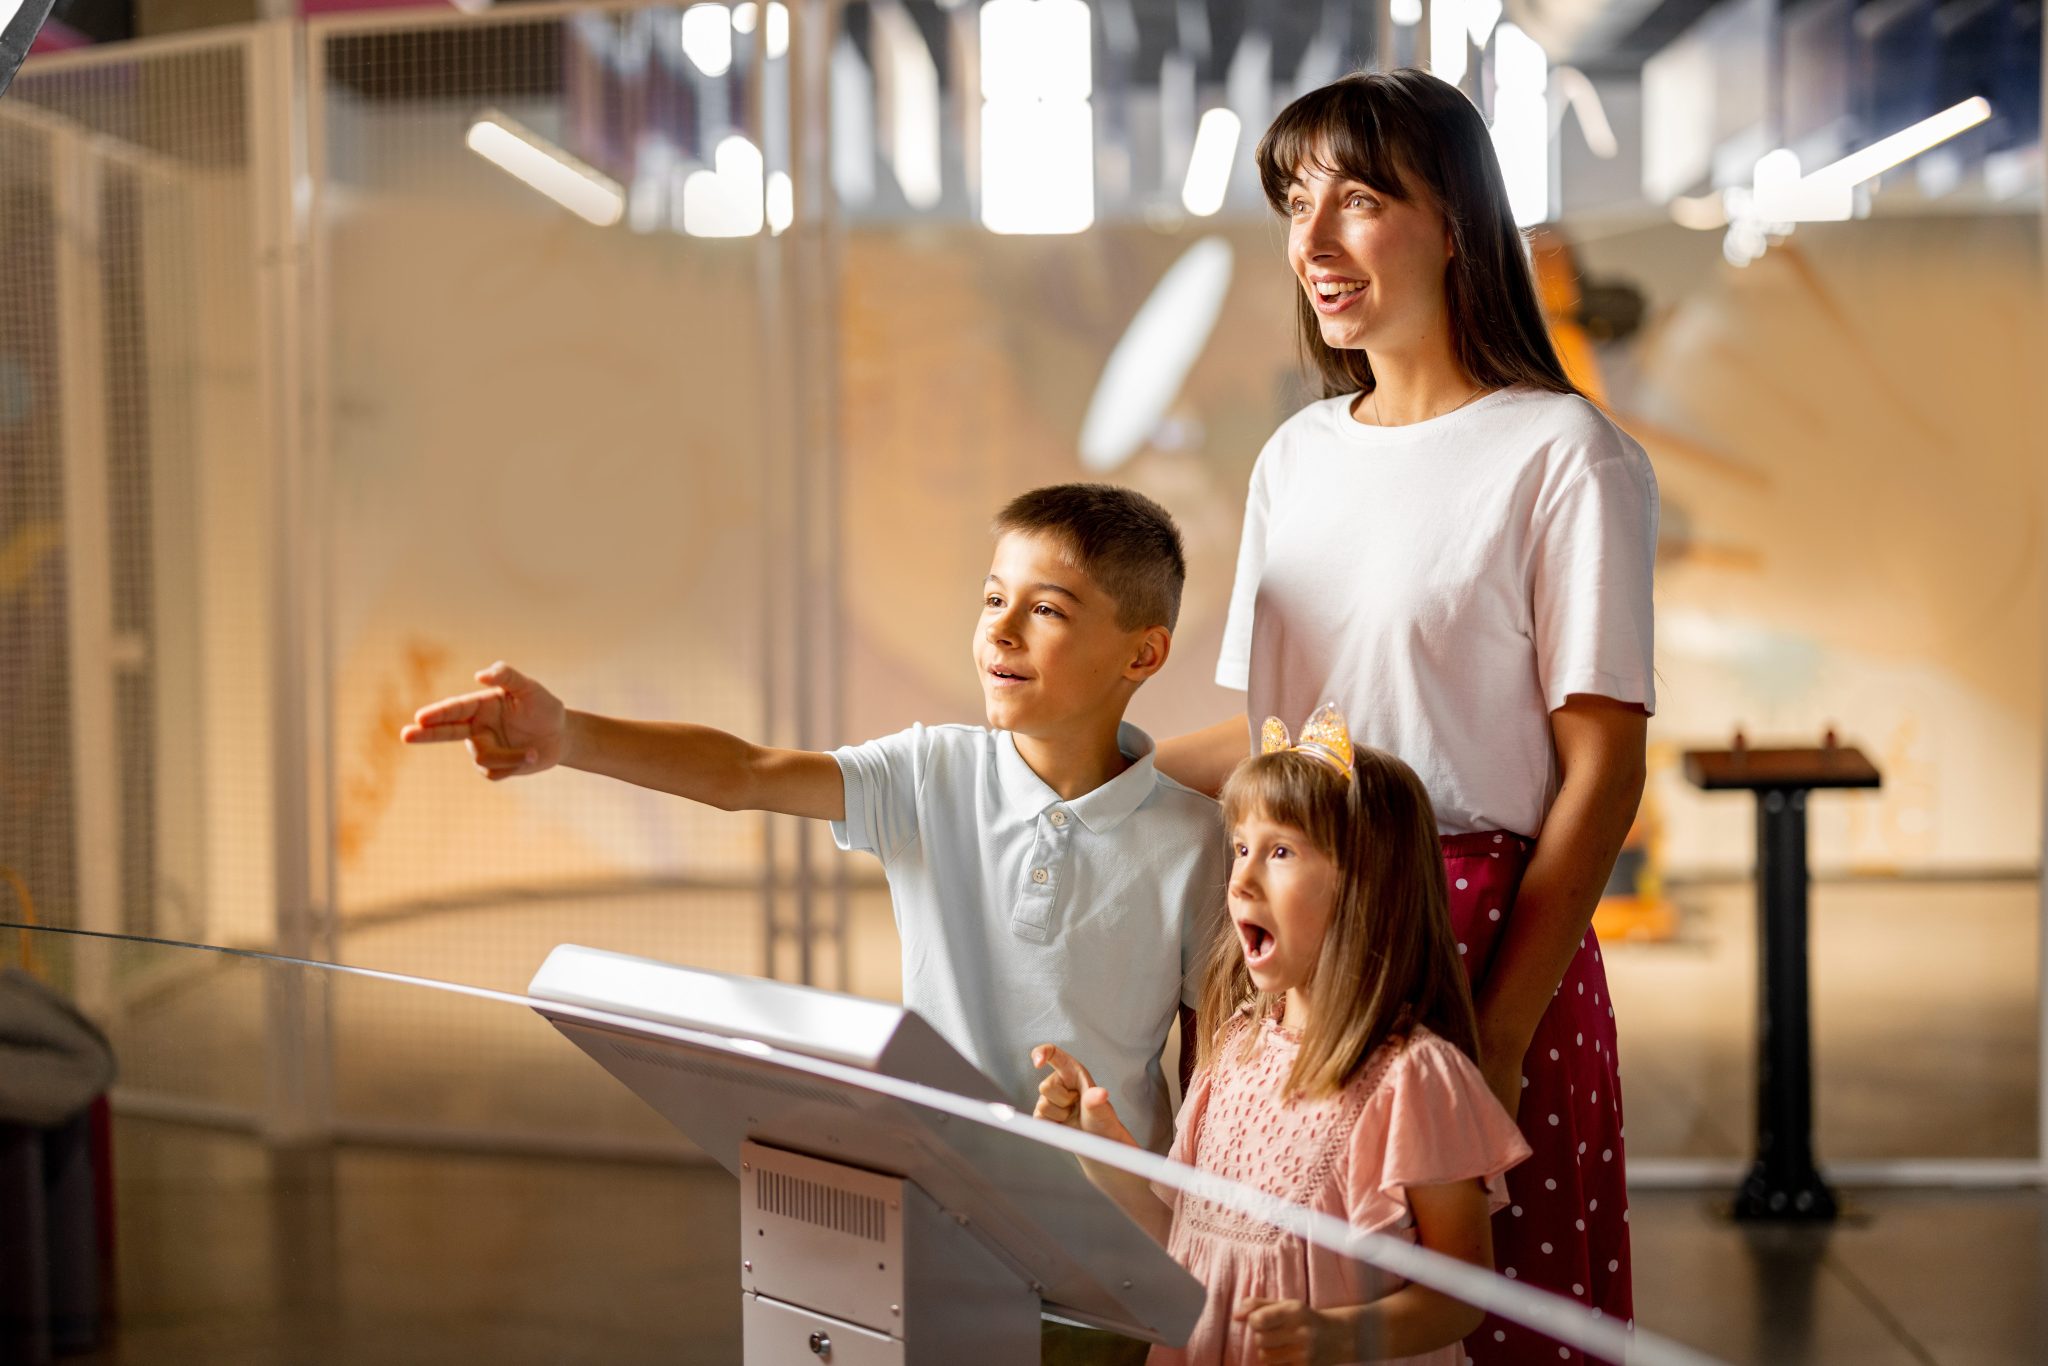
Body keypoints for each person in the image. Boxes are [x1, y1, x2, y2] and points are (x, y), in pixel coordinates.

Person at [1156, 70, 1656, 1360]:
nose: (1311, 243)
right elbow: (1282, 742)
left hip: (1477, 936)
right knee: (1281, 1298)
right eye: (1293, 202)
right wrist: (1073, 770)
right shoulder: (1295, 456)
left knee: (1489, 1321)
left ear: (1454, 224)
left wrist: (1495, 1030)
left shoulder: (1562, 452)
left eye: (1359, 199)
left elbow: (1600, 771)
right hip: (1303, 946)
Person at [401, 482, 1226, 1152]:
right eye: (991, 599)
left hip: (1110, 1227)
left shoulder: (1197, 842)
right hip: (934, 1192)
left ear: (1142, 654)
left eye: (1046, 610)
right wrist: (570, 734)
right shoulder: (928, 770)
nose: (1000, 631)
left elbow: (1217, 1064)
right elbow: (744, 773)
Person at [1035, 707, 1529, 1366]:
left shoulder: (1415, 1079)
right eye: (1241, 847)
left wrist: (1336, 1336)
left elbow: (1461, 1296)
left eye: (1281, 851)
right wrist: (1098, 1152)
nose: (1240, 878)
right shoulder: (1234, 1052)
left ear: (1367, 883)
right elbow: (1188, 1245)